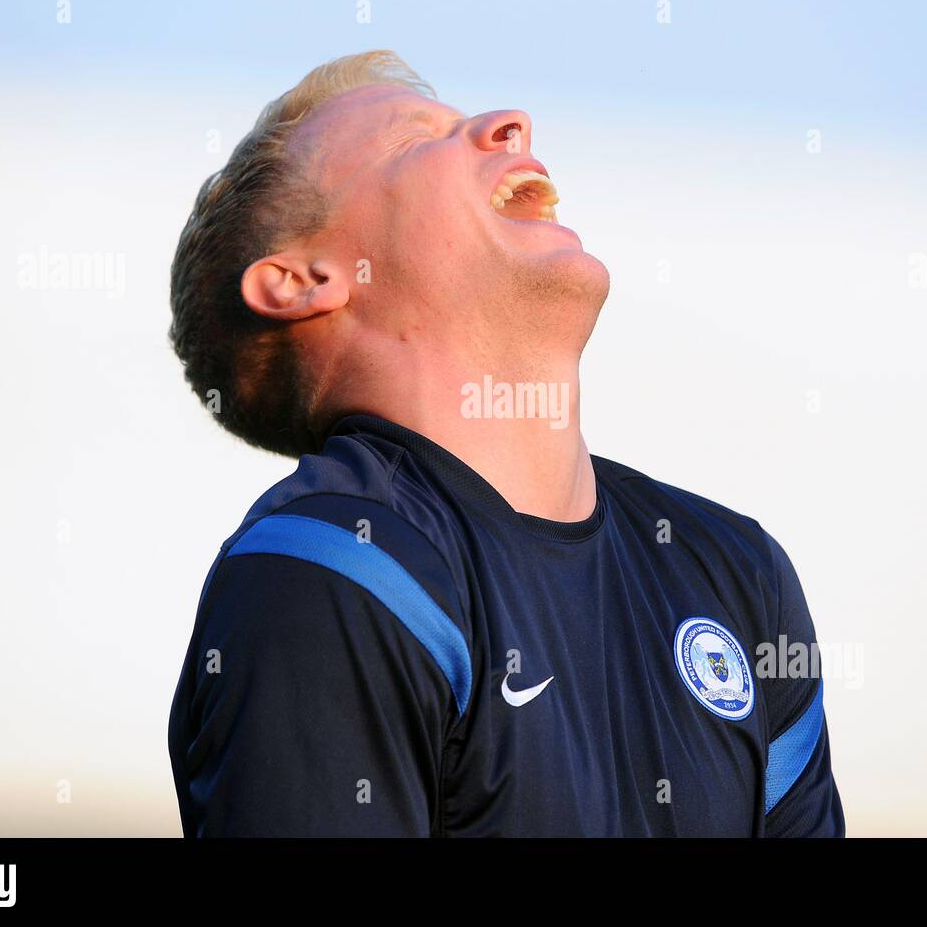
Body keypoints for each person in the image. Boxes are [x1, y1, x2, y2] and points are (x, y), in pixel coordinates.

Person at [167, 50, 843, 836]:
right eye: (412, 139)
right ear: (307, 279)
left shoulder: (736, 573)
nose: (509, 123)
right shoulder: (330, 567)